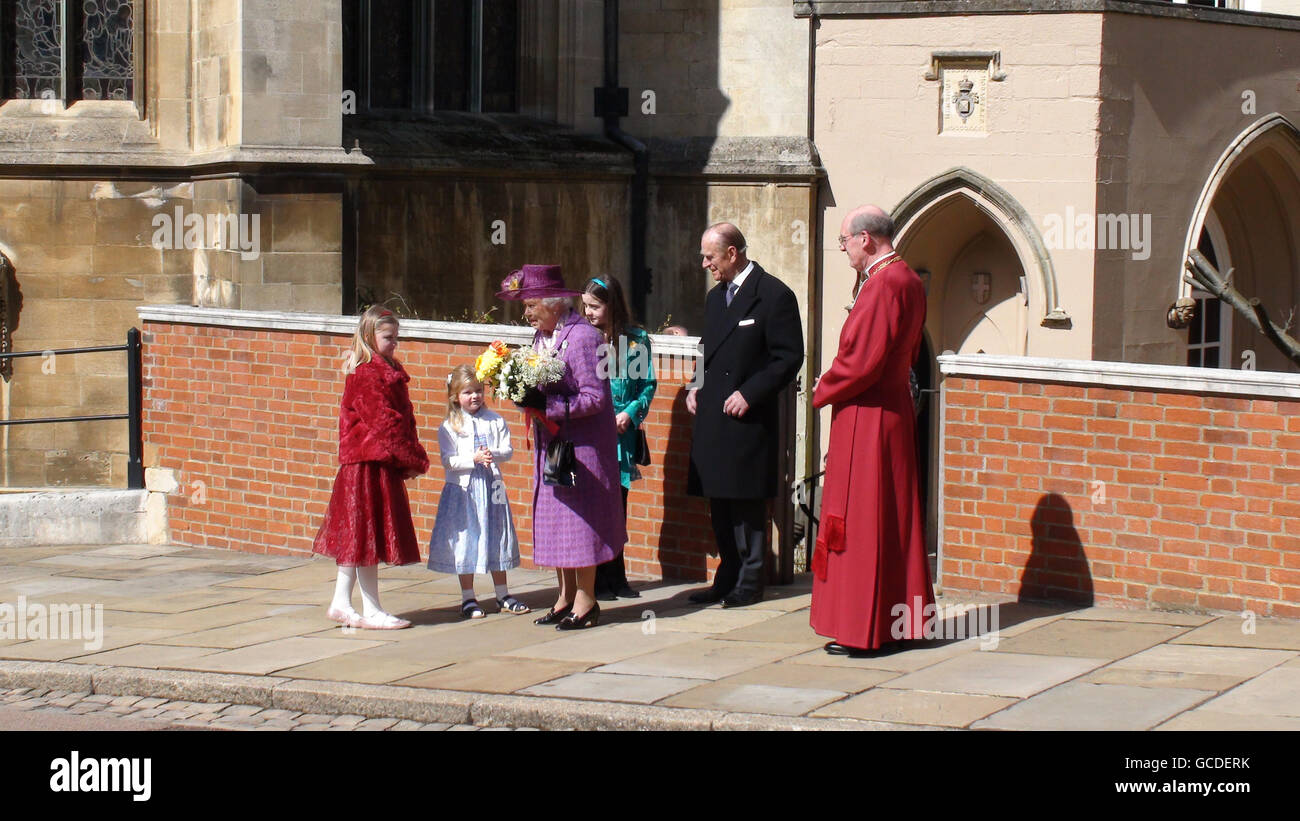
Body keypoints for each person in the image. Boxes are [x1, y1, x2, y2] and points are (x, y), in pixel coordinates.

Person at [810, 205, 934, 655]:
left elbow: (863, 357)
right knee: (893, 516)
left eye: (844, 241)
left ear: (865, 238)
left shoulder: (884, 283)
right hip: (890, 407)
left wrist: (824, 387)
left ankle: (865, 628)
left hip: (869, 413)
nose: (843, 250)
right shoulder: (907, 280)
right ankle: (900, 622)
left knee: (862, 518)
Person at [498, 264, 627, 630]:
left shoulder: (584, 338)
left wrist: (547, 407)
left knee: (580, 525)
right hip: (551, 446)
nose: (525, 313)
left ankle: (587, 602)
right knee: (557, 524)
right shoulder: (542, 338)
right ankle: (564, 597)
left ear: (552, 304)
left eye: (530, 305)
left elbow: (595, 398)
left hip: (582, 450)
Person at [685, 223, 804, 608]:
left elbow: (788, 357)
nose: (705, 264)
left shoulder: (773, 296)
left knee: (746, 504)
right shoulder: (715, 298)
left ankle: (751, 581)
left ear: (733, 253)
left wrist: (750, 394)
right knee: (718, 500)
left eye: (710, 257)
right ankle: (728, 575)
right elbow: (707, 348)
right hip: (713, 416)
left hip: (747, 418)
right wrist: (694, 384)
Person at [313, 304, 429, 630]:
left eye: (397, 337)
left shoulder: (385, 371)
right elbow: (385, 425)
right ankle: (369, 608)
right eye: (388, 337)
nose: (395, 343)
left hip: (378, 464)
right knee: (363, 537)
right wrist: (413, 460)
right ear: (369, 336)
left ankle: (344, 603)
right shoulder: (367, 374)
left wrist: (407, 458)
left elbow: (403, 421)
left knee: (364, 537)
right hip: (365, 465)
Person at [427, 365, 530, 619]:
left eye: (478, 391)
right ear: (455, 396)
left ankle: (503, 593)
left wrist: (491, 454)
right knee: (467, 539)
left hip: (492, 487)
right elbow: (448, 460)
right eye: (467, 392)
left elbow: (507, 450)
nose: (474, 396)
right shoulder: (450, 426)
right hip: (464, 491)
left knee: (497, 534)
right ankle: (468, 597)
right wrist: (472, 458)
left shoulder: (494, 420)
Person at [581, 276, 657, 601]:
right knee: (596, 506)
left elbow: (646, 385)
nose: (588, 313)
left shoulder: (635, 341)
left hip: (620, 438)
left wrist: (630, 412)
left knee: (618, 507)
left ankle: (617, 576)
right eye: (585, 306)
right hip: (592, 436)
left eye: (595, 306)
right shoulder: (583, 338)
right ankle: (597, 580)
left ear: (612, 305)